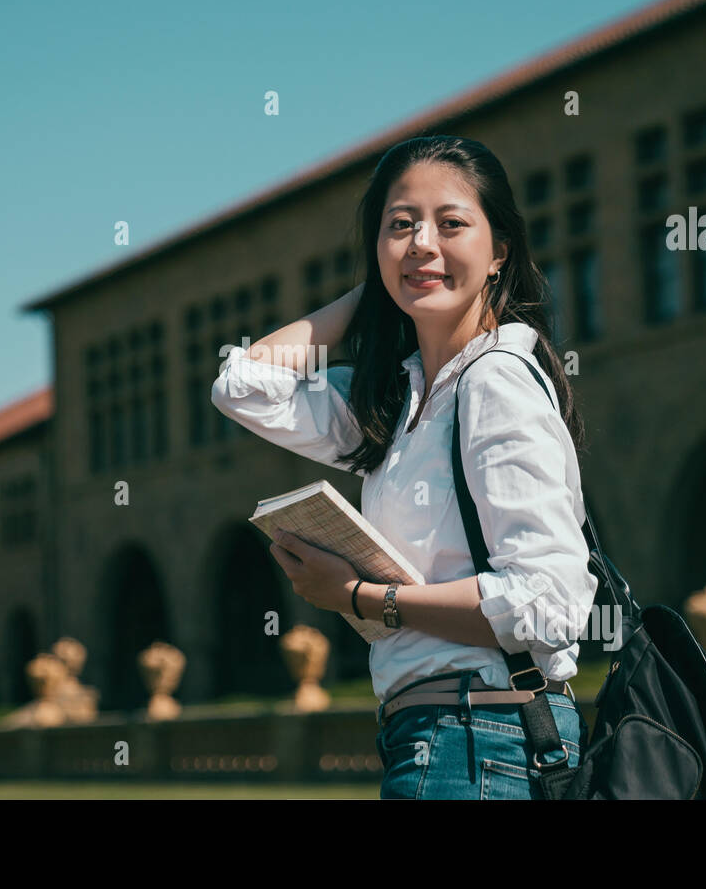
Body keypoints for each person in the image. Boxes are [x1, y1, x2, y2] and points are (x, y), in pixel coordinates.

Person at [210, 135, 599, 799]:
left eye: (451, 224)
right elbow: (241, 386)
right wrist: (379, 293)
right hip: (438, 734)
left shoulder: (495, 380)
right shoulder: (398, 398)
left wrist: (363, 599)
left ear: (499, 250)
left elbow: (548, 603)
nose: (421, 241)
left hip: (479, 737)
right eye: (400, 226)